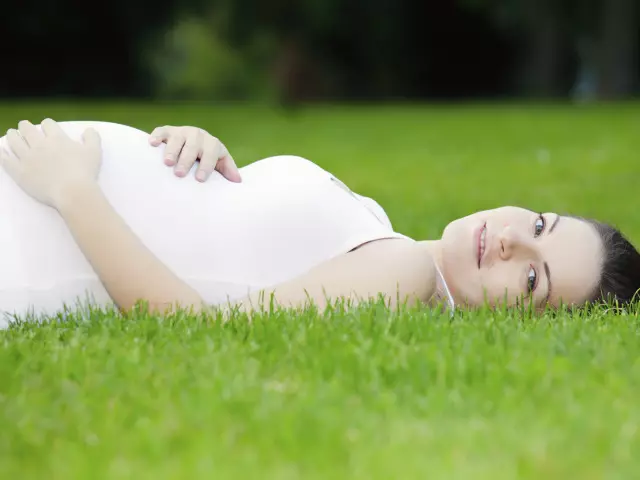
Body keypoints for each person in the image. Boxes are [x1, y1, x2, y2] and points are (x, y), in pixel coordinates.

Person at [0, 119, 637, 326]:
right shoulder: (384, 237)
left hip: (34, 237)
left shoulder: (409, 272)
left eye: (531, 279)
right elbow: (237, 241)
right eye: (540, 224)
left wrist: (72, 189)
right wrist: (199, 150)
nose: (510, 240)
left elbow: (193, 325)